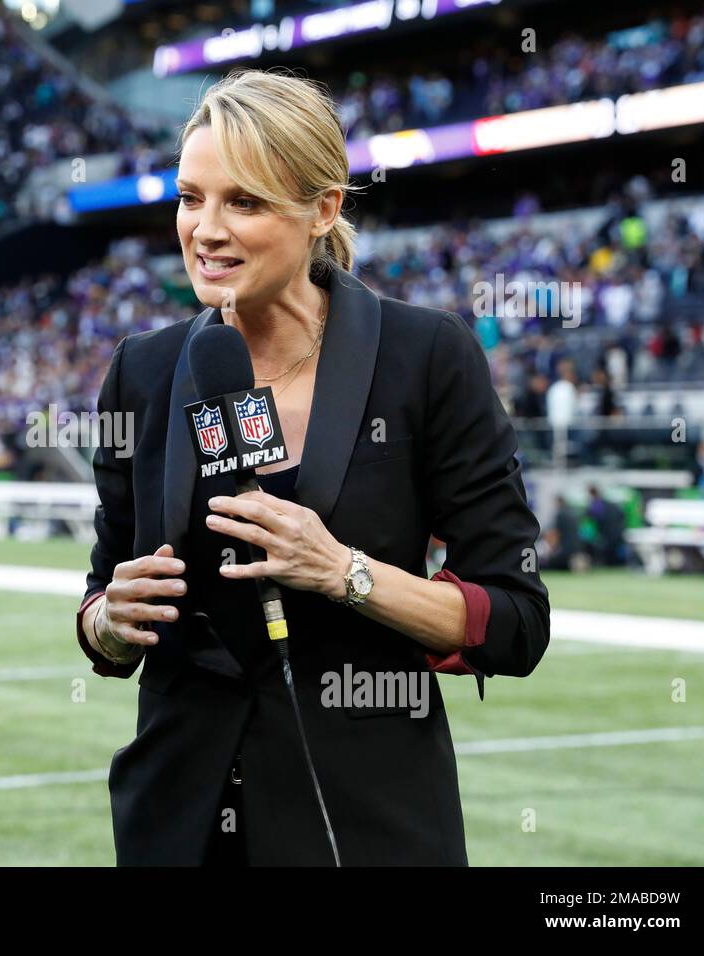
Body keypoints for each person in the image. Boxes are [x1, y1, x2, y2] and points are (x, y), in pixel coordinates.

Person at [76, 70, 550, 866]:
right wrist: (110, 623)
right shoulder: (143, 371)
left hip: (370, 820)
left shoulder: (426, 356)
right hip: (179, 819)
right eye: (192, 198)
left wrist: (343, 571)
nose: (206, 229)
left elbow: (515, 621)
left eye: (246, 202)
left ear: (323, 209)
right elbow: (102, 606)